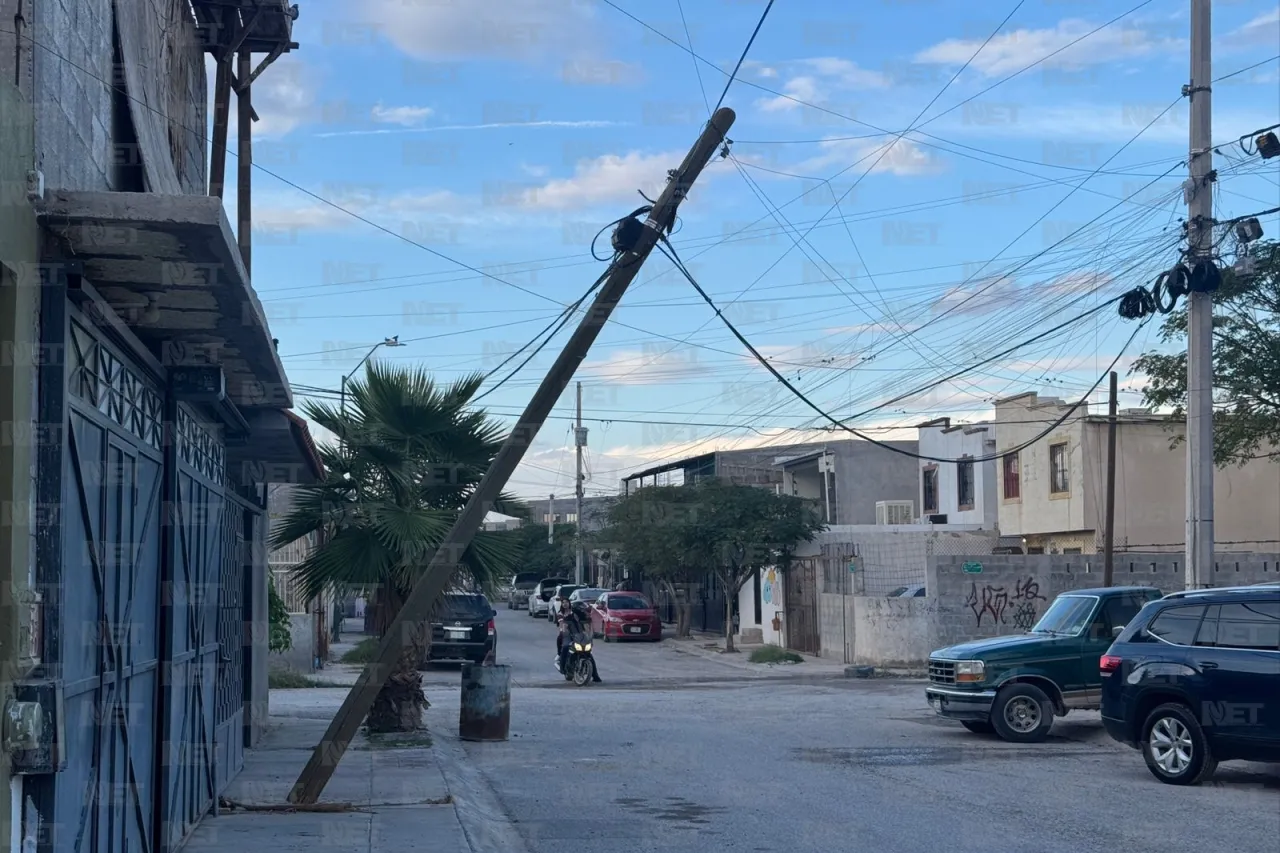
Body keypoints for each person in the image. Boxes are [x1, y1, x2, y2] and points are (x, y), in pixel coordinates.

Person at [557, 600, 601, 682]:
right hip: (569, 636)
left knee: (589, 654)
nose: (584, 611)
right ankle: (563, 668)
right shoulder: (568, 617)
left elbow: (587, 629)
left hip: (580, 637)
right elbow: (564, 627)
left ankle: (595, 675)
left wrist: (590, 637)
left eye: (584, 610)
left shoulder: (584, 618)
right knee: (566, 647)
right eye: (582, 610)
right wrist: (564, 631)